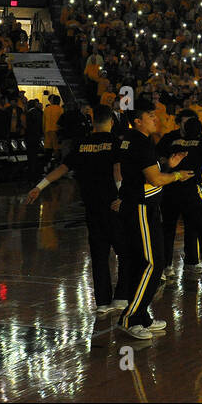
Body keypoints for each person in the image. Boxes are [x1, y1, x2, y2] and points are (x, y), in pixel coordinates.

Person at [27, 105, 130, 315]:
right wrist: (121, 196)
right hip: (113, 205)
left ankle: (102, 302)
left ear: (93, 121)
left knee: (99, 255)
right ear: (111, 121)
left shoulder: (82, 144)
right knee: (126, 252)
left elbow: (62, 168)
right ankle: (121, 297)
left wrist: (39, 187)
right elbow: (117, 170)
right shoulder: (115, 143)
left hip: (91, 207)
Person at [114, 98, 191, 339]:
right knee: (152, 263)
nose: (156, 119)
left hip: (139, 205)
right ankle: (130, 318)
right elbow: (155, 180)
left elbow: (147, 171)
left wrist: (168, 164)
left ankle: (141, 316)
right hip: (141, 208)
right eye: (150, 116)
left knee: (144, 263)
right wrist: (177, 174)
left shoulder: (133, 140)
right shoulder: (140, 143)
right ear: (138, 121)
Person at [157, 111, 202, 289]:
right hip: (185, 189)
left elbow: (158, 160)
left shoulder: (181, 140)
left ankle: (182, 263)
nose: (187, 124)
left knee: (179, 228)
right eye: (185, 121)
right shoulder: (188, 139)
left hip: (172, 188)